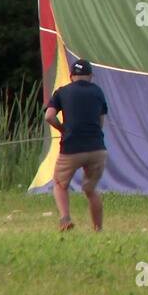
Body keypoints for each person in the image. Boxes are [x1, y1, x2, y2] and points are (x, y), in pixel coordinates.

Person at [44, 59, 108, 232]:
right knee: (90, 189)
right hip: (97, 148)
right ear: (91, 76)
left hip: (71, 148)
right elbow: (101, 122)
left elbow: (49, 116)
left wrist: (62, 129)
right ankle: (98, 229)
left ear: (71, 76)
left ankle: (65, 219)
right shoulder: (98, 92)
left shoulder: (62, 92)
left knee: (60, 184)